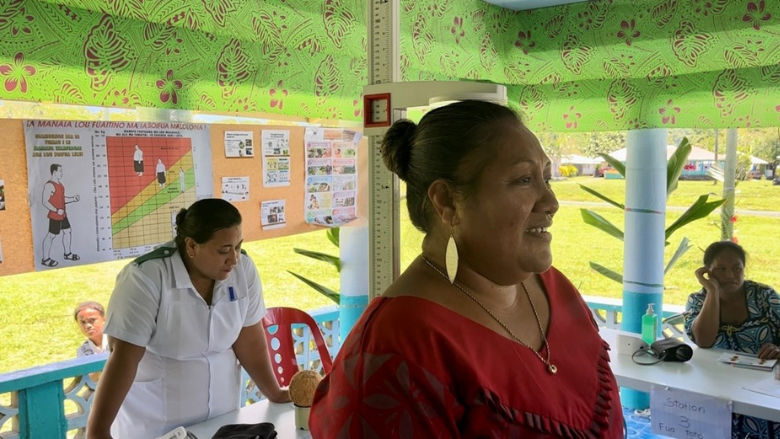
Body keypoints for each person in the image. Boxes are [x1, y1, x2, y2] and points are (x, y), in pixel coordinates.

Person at [309, 100, 624, 437]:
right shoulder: (397, 348)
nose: (551, 203)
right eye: (523, 180)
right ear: (447, 201)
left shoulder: (556, 288)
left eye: (546, 179)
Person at [87, 198, 290, 439]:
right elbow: (123, 358)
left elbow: (250, 342)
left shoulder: (243, 270)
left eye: (238, 247)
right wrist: (98, 432)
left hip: (222, 421)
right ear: (192, 246)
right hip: (157, 424)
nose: (234, 259)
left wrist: (274, 392)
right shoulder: (146, 277)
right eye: (224, 250)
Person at [684, 240, 780, 439]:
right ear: (708, 272)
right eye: (721, 269)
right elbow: (704, 340)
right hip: (717, 387)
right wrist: (712, 292)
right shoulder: (698, 300)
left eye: (737, 268)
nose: (730, 276)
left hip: (763, 389)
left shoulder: (764, 296)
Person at [41, 163, 80, 267]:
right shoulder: (49, 185)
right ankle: (45, 259)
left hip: (62, 215)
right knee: (51, 235)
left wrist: (73, 199)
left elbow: (62, 199)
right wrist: (56, 210)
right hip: (55, 215)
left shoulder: (60, 185)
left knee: (67, 231)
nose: (62, 173)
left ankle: (67, 254)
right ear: (54, 172)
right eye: (60, 171)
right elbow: (44, 201)